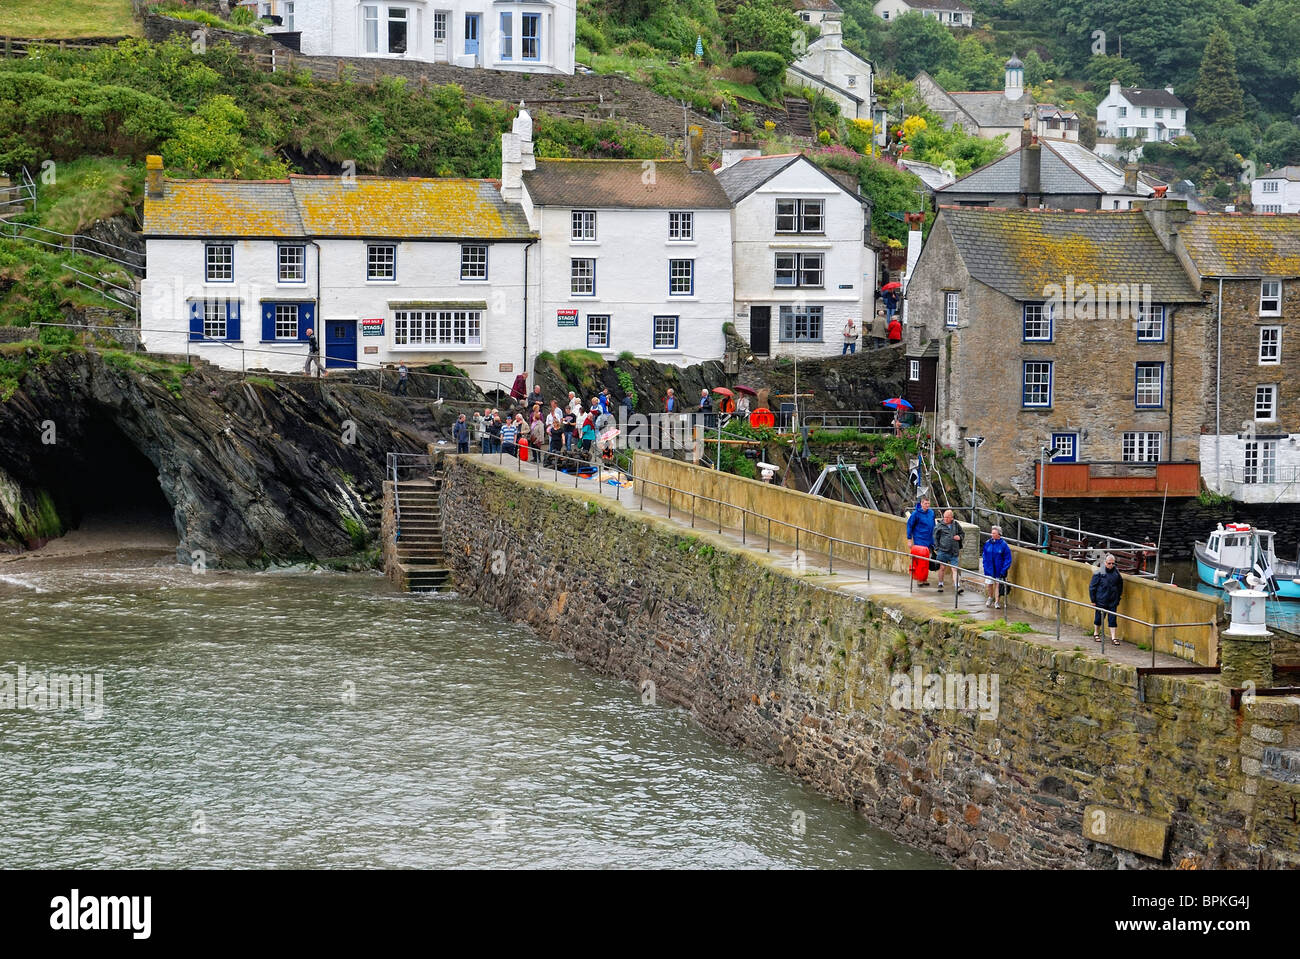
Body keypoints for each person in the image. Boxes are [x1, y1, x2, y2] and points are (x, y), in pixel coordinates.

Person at [1089, 553, 1125, 646]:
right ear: (1105, 563)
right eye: (1109, 563)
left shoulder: (1116, 572)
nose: (1111, 565)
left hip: (1112, 600)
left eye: (1113, 564)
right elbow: (1092, 587)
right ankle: (1096, 633)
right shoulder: (1099, 573)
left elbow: (1120, 584)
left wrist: (1118, 596)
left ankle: (1113, 637)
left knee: (1112, 619)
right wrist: (1093, 600)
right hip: (1101, 599)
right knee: (1099, 618)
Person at [905, 495, 936, 587]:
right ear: (921, 503)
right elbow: (909, 525)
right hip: (920, 540)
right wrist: (909, 539)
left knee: (927, 560)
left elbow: (933, 525)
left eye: (928, 503)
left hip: (929, 540)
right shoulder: (916, 514)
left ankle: (924, 578)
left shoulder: (931, 513)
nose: (927, 505)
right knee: (920, 560)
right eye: (925, 503)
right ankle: (919, 579)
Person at [933, 508, 963, 594]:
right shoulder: (939, 526)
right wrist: (937, 549)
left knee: (955, 569)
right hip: (943, 551)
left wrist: (959, 537)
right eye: (944, 517)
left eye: (947, 517)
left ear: (951, 518)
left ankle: (957, 586)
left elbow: (962, 533)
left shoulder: (956, 525)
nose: (945, 519)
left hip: (954, 551)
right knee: (942, 568)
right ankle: (940, 584)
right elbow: (935, 538)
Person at [982, 526, 1013, 610]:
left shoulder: (1004, 545)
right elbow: (984, 555)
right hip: (989, 568)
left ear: (999, 534)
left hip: (999, 569)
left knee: (998, 585)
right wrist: (985, 565)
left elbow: (1008, 559)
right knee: (989, 584)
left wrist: (1004, 569)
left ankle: (997, 601)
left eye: (994, 533)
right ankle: (990, 597)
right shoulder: (988, 543)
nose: (992, 534)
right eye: (992, 533)